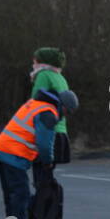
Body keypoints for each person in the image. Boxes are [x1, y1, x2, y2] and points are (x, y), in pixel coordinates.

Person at [0, 89, 79, 219]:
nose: (66, 115)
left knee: (11, 197)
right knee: (21, 195)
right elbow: (45, 145)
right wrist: (48, 161)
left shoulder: (35, 104)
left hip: (2, 149)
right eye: (68, 112)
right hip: (14, 154)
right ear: (63, 106)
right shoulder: (48, 114)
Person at [30, 47, 70, 189]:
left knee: (39, 176)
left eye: (35, 60)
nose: (33, 63)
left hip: (46, 129)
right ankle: (47, 206)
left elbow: (35, 102)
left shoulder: (43, 75)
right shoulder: (61, 78)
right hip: (60, 130)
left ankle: (41, 208)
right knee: (47, 174)